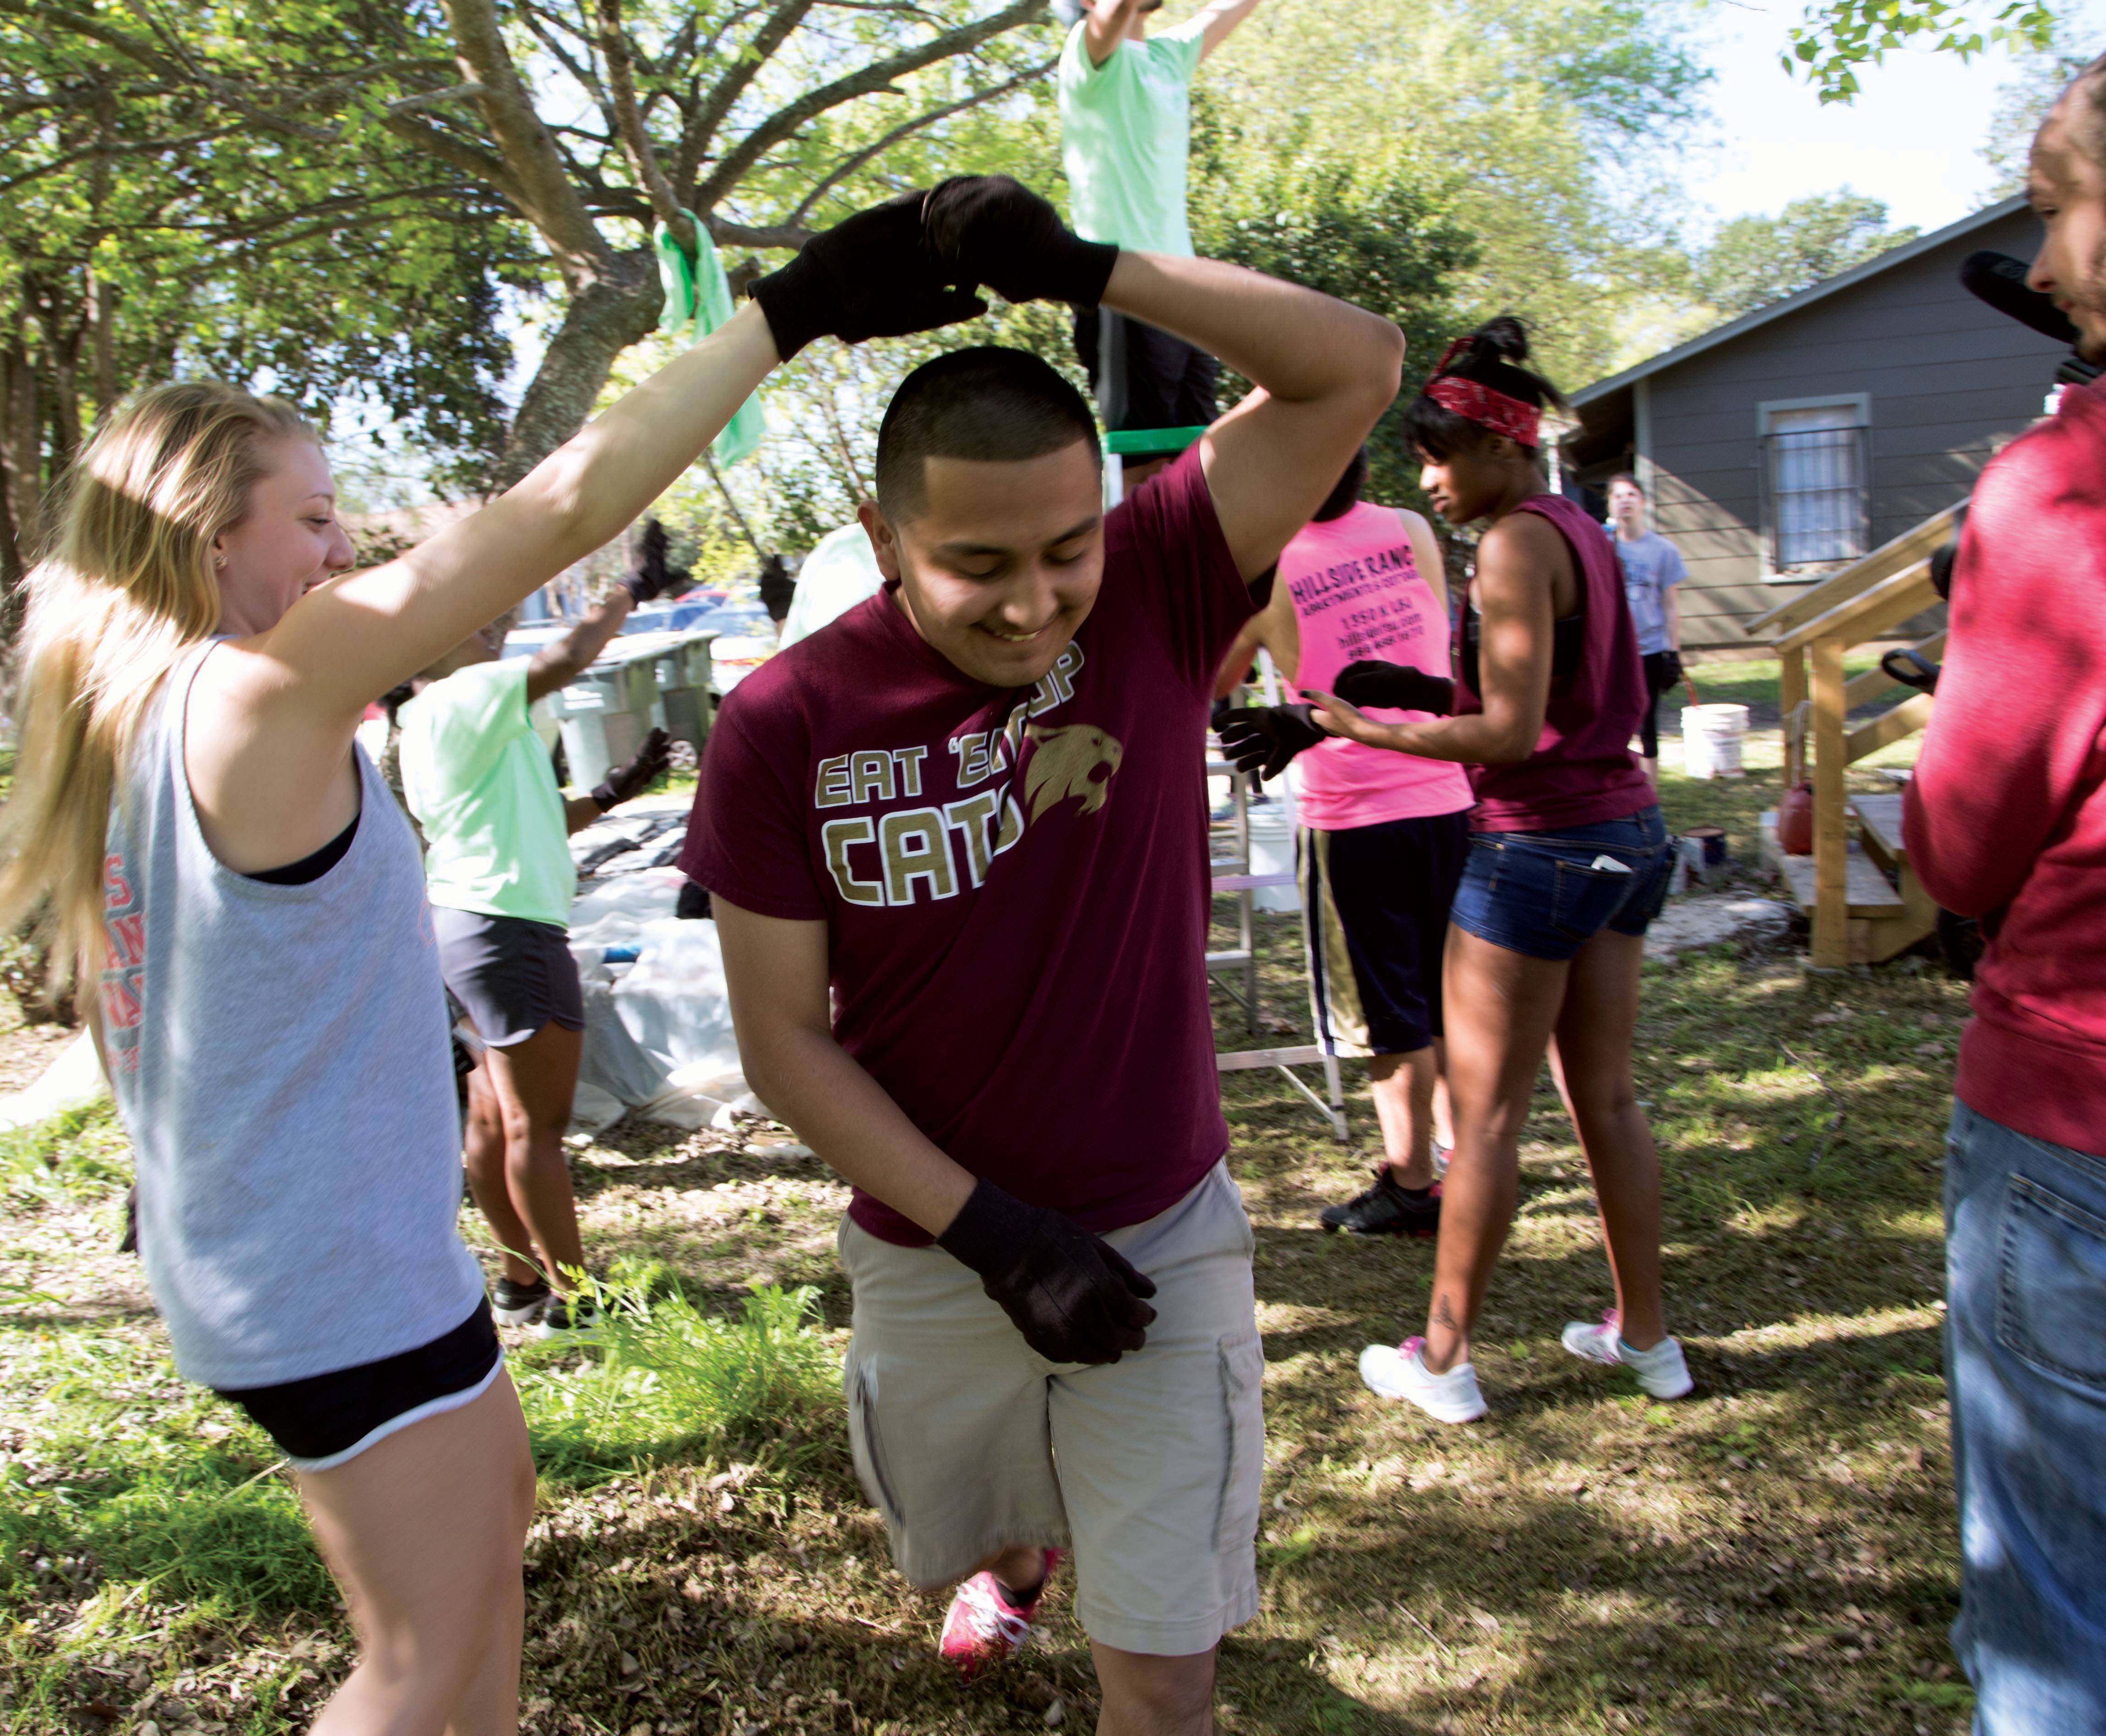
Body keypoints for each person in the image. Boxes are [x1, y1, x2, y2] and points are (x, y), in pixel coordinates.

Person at [0, 185, 1017, 1735]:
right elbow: (555, 517)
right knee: (423, 1656)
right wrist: (793, 313)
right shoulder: (250, 695)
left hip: (310, 1263)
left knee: (487, 1554)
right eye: (311, 519)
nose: (337, 550)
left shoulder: (139, 724)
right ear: (206, 534)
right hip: (327, 1281)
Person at [682, 173, 1402, 1732]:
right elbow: (781, 1041)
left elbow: (1354, 359)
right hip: (936, 1252)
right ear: (883, 536)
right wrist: (997, 1234)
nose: (1034, 606)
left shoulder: (1153, 582)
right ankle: (1012, 1556)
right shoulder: (781, 724)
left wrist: (1086, 267)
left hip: (1161, 1228)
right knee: (987, 1519)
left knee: (1162, 1672)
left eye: (1063, 550)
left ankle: (1077, 1566)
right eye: (978, 568)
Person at [1901, 0, 2106, 1731]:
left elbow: (1961, 844)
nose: (2043, 254)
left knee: (2064, 1664)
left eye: (2055, 198)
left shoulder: (2071, 477)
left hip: (2094, 1140)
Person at [1293, 318, 1688, 1425]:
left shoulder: (1514, 540)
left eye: (1438, 455)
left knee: (1487, 1119)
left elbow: (1510, 734)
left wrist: (1358, 729)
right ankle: (1647, 1340)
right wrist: (1418, 694)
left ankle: (1442, 1357)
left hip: (1539, 849)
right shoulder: (1578, 528)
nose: (1427, 479)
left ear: (1504, 448)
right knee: (1604, 1097)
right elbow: (1558, 704)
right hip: (1625, 838)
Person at [397, 531, 686, 1337]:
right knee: (538, 1129)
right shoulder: (463, 697)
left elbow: (534, 816)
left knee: (494, 1121)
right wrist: (631, 589)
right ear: (425, 642)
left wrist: (617, 790)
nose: (488, 623)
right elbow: (567, 657)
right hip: (509, 932)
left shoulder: (441, 721)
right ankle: (578, 1302)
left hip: (471, 927)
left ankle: (521, 1281)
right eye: (469, 617)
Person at [1208, 447, 1468, 1235]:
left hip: (1353, 814)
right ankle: (1469, 1158)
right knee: (1446, 1001)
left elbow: (1212, 678)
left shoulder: (1263, 563)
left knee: (1389, 1016)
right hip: (1447, 794)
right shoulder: (1412, 529)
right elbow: (1439, 644)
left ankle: (1412, 1181)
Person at [1052, 0, 1277, 487]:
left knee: (1198, 458)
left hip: (1189, 291)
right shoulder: (1087, 59)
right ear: (1091, 1)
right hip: (1126, 287)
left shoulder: (1169, 55)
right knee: (1146, 463)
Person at [1606, 473, 1688, 780]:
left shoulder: (1663, 550)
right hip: (1613, 650)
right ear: (1611, 504)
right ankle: (1618, 783)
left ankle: (1649, 792)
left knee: (1646, 721)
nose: (1625, 501)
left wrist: (1673, 653)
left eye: (1631, 495)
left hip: (1650, 649)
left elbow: (1671, 605)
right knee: (1612, 718)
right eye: (1618, 496)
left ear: (1642, 503)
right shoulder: (1604, 546)